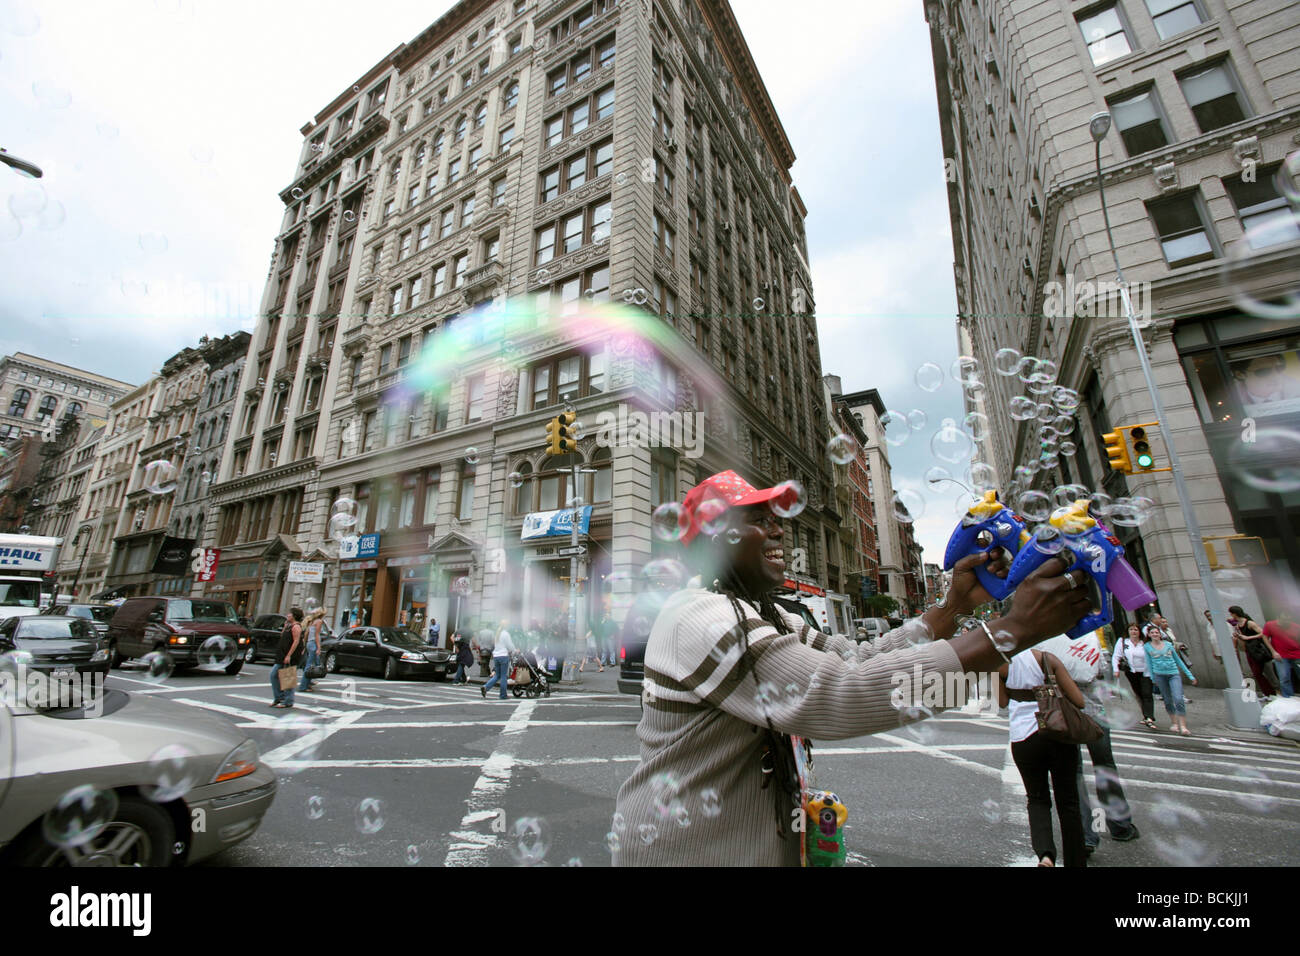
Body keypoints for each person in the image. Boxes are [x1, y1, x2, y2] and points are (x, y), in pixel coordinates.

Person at [611, 469, 1090, 866]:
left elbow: (852, 658)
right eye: (757, 519)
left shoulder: (762, 615)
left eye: (777, 519)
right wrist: (1010, 631)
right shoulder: (699, 614)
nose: (779, 529)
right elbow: (836, 692)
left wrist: (951, 610)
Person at [998, 647, 1089, 867]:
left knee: (1036, 798)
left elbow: (1001, 702)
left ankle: (1045, 855)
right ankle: (1076, 861)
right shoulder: (1048, 659)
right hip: (1057, 732)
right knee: (1068, 802)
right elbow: (1079, 701)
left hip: (1023, 737)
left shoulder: (999, 664)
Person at [1145, 625, 1197, 734]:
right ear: (1149, 635)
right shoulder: (1147, 647)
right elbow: (1149, 663)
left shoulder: (1168, 645)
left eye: (1156, 632)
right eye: (1152, 633)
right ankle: (1174, 722)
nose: (1155, 634)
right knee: (1167, 700)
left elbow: (1178, 661)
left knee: (1178, 699)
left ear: (1160, 634)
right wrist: (1152, 678)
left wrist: (1190, 676)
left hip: (1173, 673)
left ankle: (1183, 726)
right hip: (1159, 675)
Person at [1112, 623, 1156, 729]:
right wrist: (1116, 669)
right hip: (1131, 672)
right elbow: (1116, 656)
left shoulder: (1144, 643)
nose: (1133, 632)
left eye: (1136, 629)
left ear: (1139, 632)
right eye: (1131, 629)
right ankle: (1145, 715)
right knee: (1139, 693)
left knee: (1147, 693)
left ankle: (1150, 717)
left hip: (1145, 671)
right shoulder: (1122, 642)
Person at [1228, 605, 1276, 698]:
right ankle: (1268, 693)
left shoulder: (1249, 623)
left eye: (1231, 613)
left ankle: (1272, 693)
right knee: (1256, 673)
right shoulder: (1238, 625)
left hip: (1258, 650)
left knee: (1263, 672)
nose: (1230, 615)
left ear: (1235, 614)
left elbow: (1263, 633)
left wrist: (1248, 637)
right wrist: (1239, 636)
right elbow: (1244, 638)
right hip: (1250, 650)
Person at [271, 607, 305, 709]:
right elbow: (283, 637)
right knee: (274, 675)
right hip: (282, 653)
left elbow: (296, 642)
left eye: (289, 614)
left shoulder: (296, 627)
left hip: (290, 655)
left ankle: (288, 701)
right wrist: (285, 626)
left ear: (294, 616)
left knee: (288, 676)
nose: (287, 615)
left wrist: (289, 655)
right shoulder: (288, 625)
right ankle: (279, 697)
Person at [1262, 612, 1300, 698]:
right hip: (1281, 656)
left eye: (1288, 620)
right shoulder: (1270, 625)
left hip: (1297, 655)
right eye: (1284, 620)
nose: (1286, 622)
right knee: (1284, 678)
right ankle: (1289, 699)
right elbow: (1264, 637)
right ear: (1278, 618)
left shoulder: (1296, 627)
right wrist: (1273, 652)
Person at [481, 619, 515, 700]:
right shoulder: (506, 634)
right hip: (503, 656)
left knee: (497, 675)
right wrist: (514, 650)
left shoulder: (497, 633)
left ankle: (486, 687)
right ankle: (503, 695)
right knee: (503, 676)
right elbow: (509, 645)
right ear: (506, 626)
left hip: (496, 656)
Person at [298, 607, 326, 692]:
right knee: (310, 665)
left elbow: (306, 634)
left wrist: (305, 645)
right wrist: (318, 647)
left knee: (311, 665)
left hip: (309, 643)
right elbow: (317, 635)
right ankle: (303, 686)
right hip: (313, 643)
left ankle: (308, 684)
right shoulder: (319, 622)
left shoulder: (312, 622)